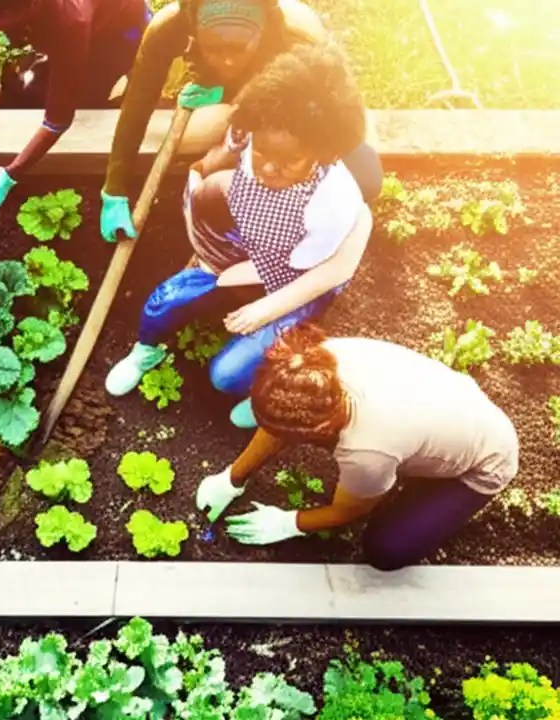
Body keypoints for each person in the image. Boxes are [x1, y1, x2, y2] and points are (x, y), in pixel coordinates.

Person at [105, 44, 372, 427]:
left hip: (291, 277)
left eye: (289, 163)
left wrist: (262, 304)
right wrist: (200, 192)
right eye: (263, 154)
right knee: (161, 304)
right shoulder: (250, 132)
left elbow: (314, 270)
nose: (270, 169)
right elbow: (218, 162)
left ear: (322, 154)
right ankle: (147, 352)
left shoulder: (332, 199)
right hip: (246, 250)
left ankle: (269, 385)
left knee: (228, 375)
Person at [194, 326, 519, 571]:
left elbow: (349, 511)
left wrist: (290, 523)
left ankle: (426, 482)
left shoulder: (367, 452)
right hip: (444, 412)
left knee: (386, 551)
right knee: (388, 467)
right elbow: (279, 424)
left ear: (321, 430)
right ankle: (413, 463)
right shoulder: (314, 367)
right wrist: (232, 478)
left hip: (482, 460)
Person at [100, 0, 384, 243]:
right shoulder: (168, 28)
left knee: (366, 179)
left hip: (290, 101)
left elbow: (342, 115)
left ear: (261, 30)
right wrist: (114, 190)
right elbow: (137, 104)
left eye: (238, 48)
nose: (226, 61)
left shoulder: (295, 34)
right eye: (213, 47)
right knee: (193, 136)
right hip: (244, 99)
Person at [0, 0, 153, 215]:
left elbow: (58, 120)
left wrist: (7, 177)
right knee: (32, 93)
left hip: (120, 30)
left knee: (85, 98)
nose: (3, 32)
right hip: (65, 25)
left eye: (7, 26)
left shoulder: (72, 19)